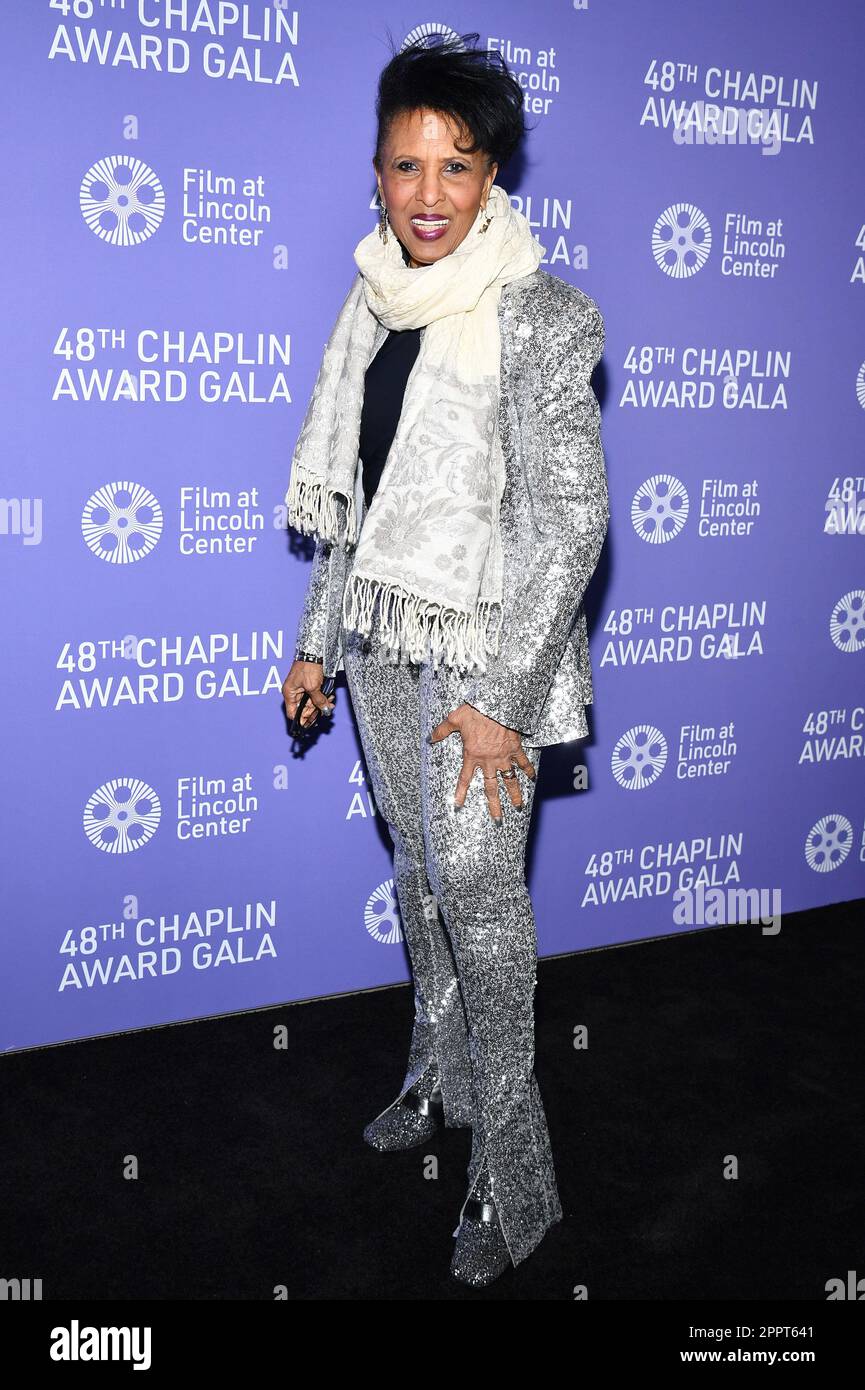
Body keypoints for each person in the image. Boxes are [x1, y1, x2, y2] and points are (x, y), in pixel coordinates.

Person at [282, 33, 609, 1288]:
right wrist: (319, 643)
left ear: (491, 176)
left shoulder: (541, 314)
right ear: (375, 172)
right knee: (421, 886)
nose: (426, 194)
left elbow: (572, 523)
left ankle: (516, 1184)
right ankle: (436, 1083)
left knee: (482, 907)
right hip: (379, 651)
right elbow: (359, 506)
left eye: (455, 166)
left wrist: (498, 704)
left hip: (486, 671)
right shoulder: (370, 304)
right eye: (404, 165)